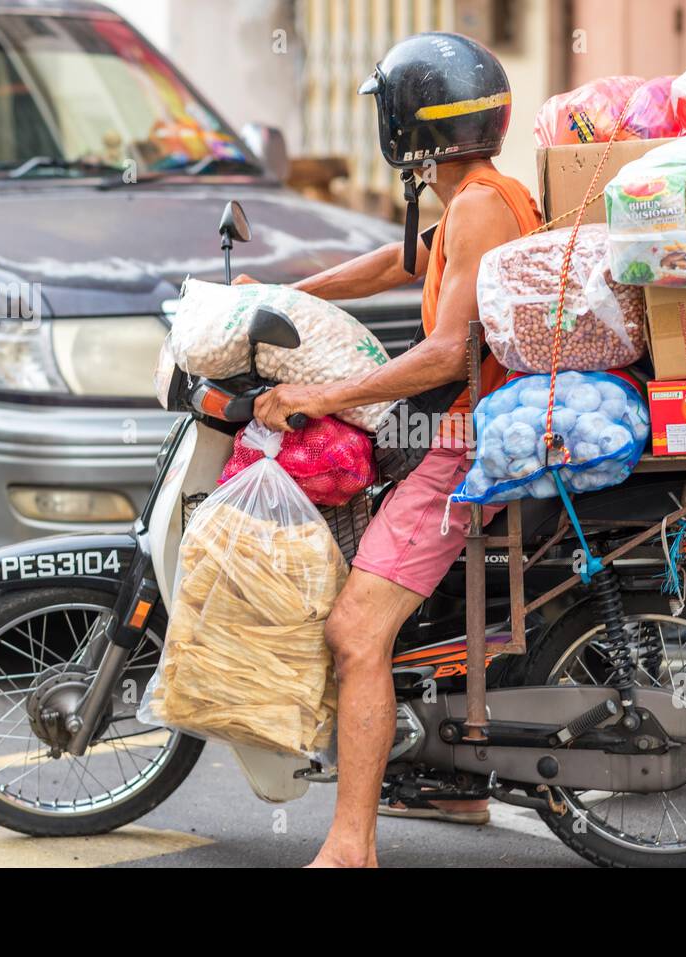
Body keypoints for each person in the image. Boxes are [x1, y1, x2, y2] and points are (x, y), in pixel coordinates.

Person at [250, 32, 543, 867]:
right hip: (450, 432)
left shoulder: (483, 205)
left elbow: (450, 352)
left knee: (354, 634)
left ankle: (350, 848)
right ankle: (454, 782)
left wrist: (319, 395)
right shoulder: (484, 199)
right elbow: (398, 261)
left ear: (416, 126)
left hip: (456, 445)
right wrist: (282, 293)